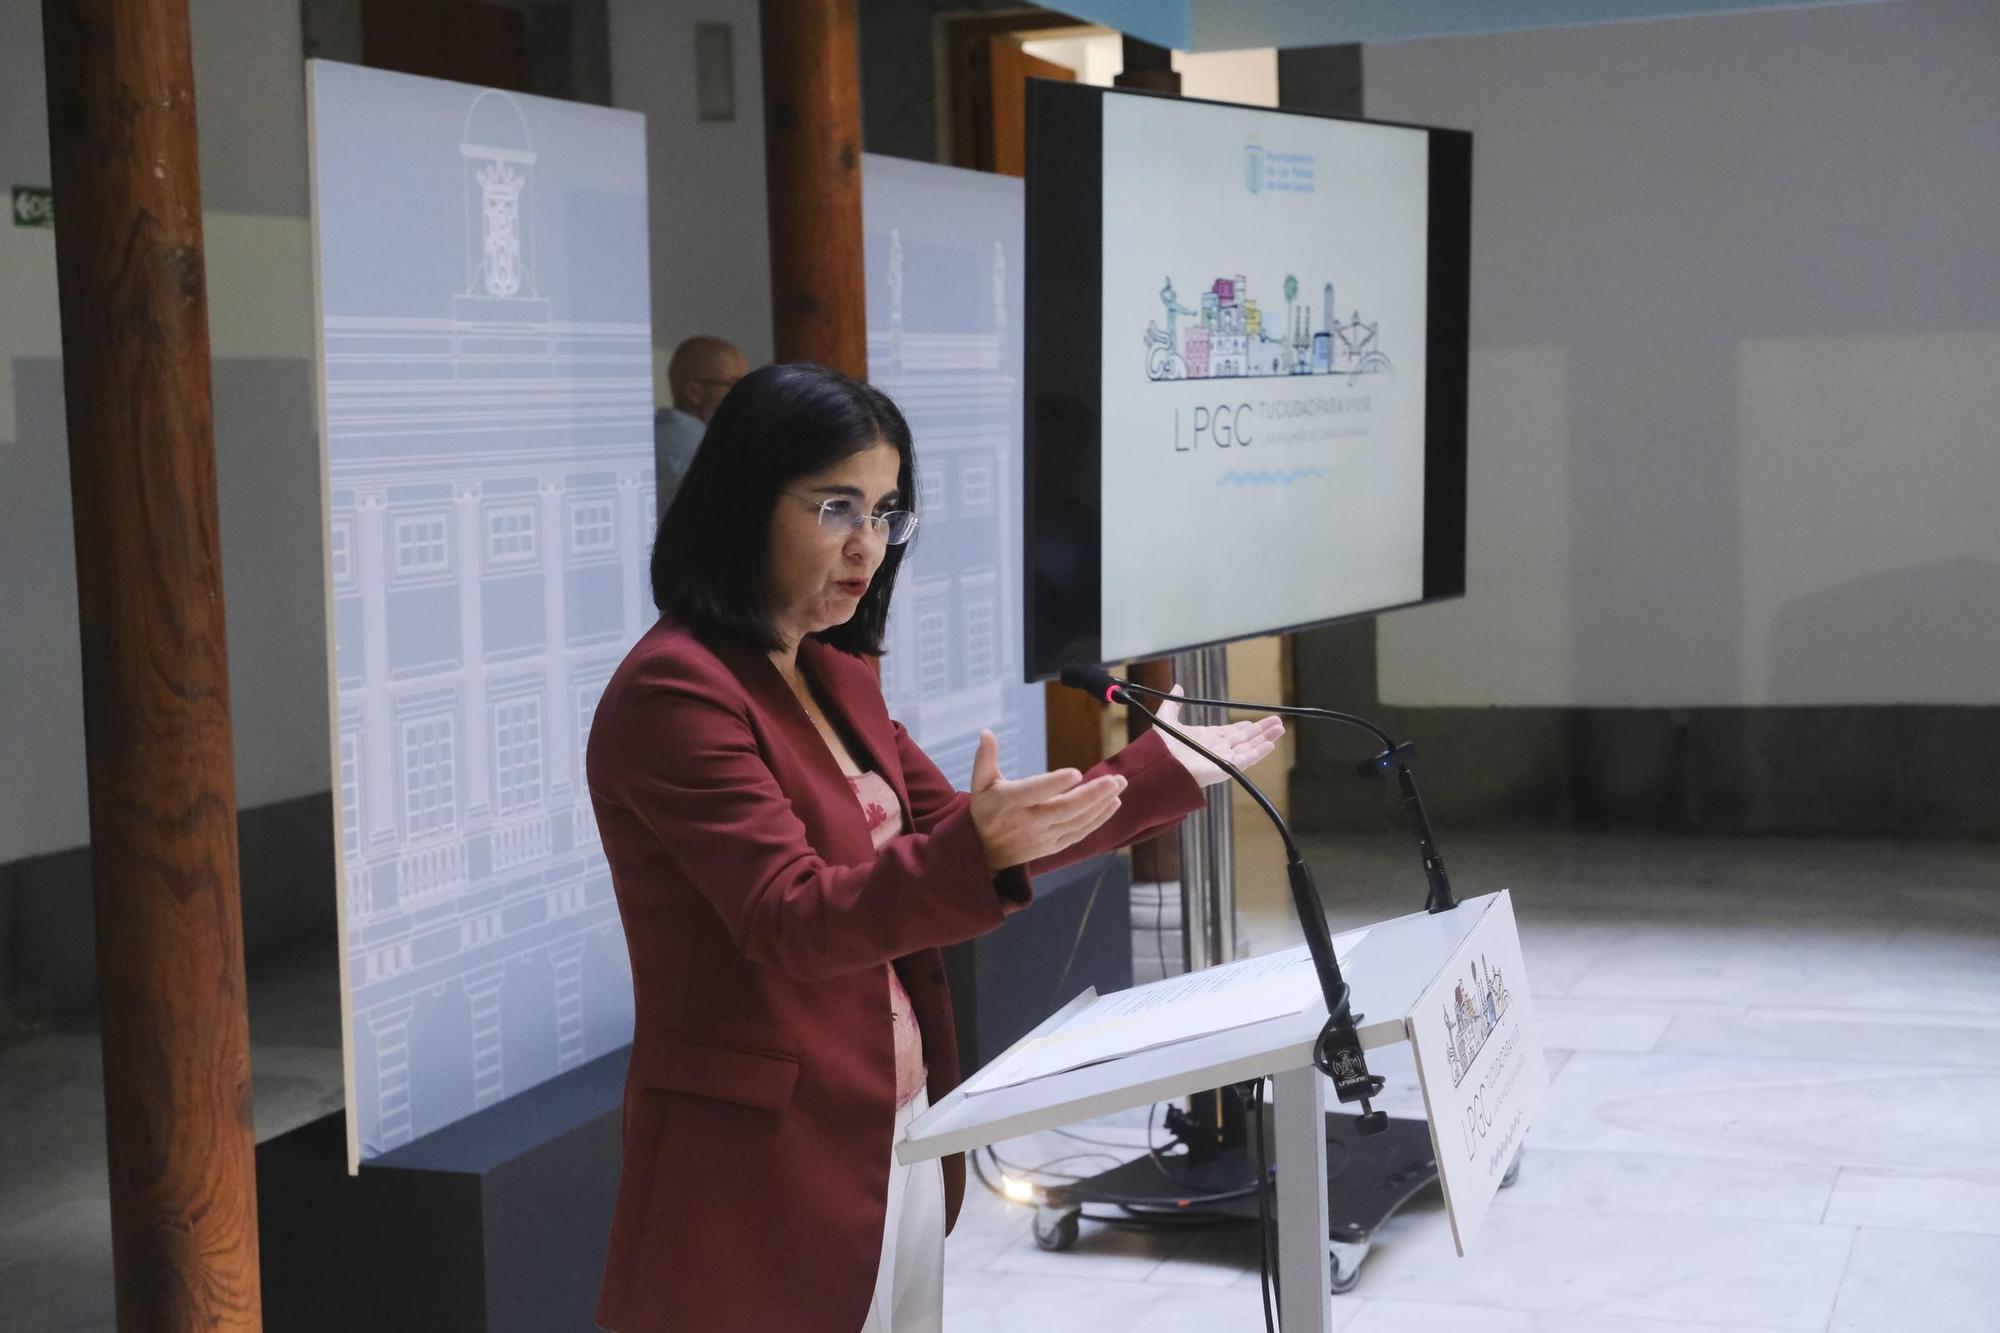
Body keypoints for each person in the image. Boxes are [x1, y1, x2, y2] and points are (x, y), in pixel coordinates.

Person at [587, 363, 1285, 1332]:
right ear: (744, 499)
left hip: (894, 1120)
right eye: (836, 507)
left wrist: (1158, 771)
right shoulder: (676, 691)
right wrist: (977, 847)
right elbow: (789, 915)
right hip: (758, 1154)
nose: (867, 546)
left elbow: (971, 834)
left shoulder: (833, 676)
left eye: (885, 514)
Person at [653, 335, 748, 510]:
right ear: (694, 392)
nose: (745, 395)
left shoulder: (654, 438)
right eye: (734, 384)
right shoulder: (705, 451)